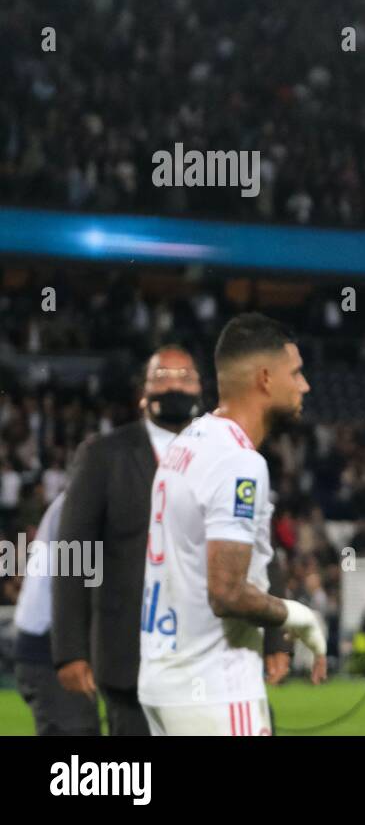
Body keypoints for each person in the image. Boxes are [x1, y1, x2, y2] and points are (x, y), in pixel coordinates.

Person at [137, 313, 327, 735]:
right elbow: (226, 592)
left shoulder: (186, 442)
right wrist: (299, 617)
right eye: (295, 373)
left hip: (163, 682)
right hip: (215, 689)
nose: (304, 385)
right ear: (264, 379)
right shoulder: (239, 462)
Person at [51, 345, 203, 735]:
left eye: (185, 377)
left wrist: (274, 638)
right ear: (143, 392)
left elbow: (253, 545)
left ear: (202, 390)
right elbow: (74, 554)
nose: (174, 385)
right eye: (162, 376)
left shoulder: (222, 455)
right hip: (128, 657)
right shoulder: (104, 455)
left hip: (208, 654)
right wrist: (70, 649)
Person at [14, 494, 101, 735]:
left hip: (51, 647)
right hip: (51, 650)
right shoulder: (79, 502)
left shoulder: (76, 499)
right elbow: (71, 583)